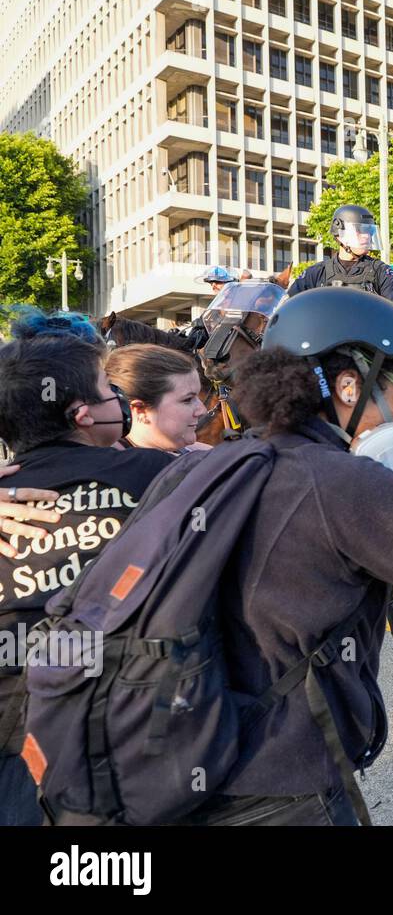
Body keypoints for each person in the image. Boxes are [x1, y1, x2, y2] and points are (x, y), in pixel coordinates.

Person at [150, 287, 393, 825]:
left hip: (187, 774)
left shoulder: (208, 465)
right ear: (349, 385)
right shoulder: (342, 483)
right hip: (285, 790)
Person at [0, 320, 175, 825]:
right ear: (81, 414)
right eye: (107, 389)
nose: (117, 399)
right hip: (130, 734)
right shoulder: (157, 475)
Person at [287, 204, 393, 308]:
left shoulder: (382, 272)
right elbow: (288, 309)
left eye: (370, 232)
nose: (366, 236)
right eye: (360, 230)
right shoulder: (316, 274)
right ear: (339, 234)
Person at [106, 343, 211, 453]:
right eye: (187, 400)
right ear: (139, 410)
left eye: (197, 397)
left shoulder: (203, 455)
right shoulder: (113, 468)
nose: (202, 410)